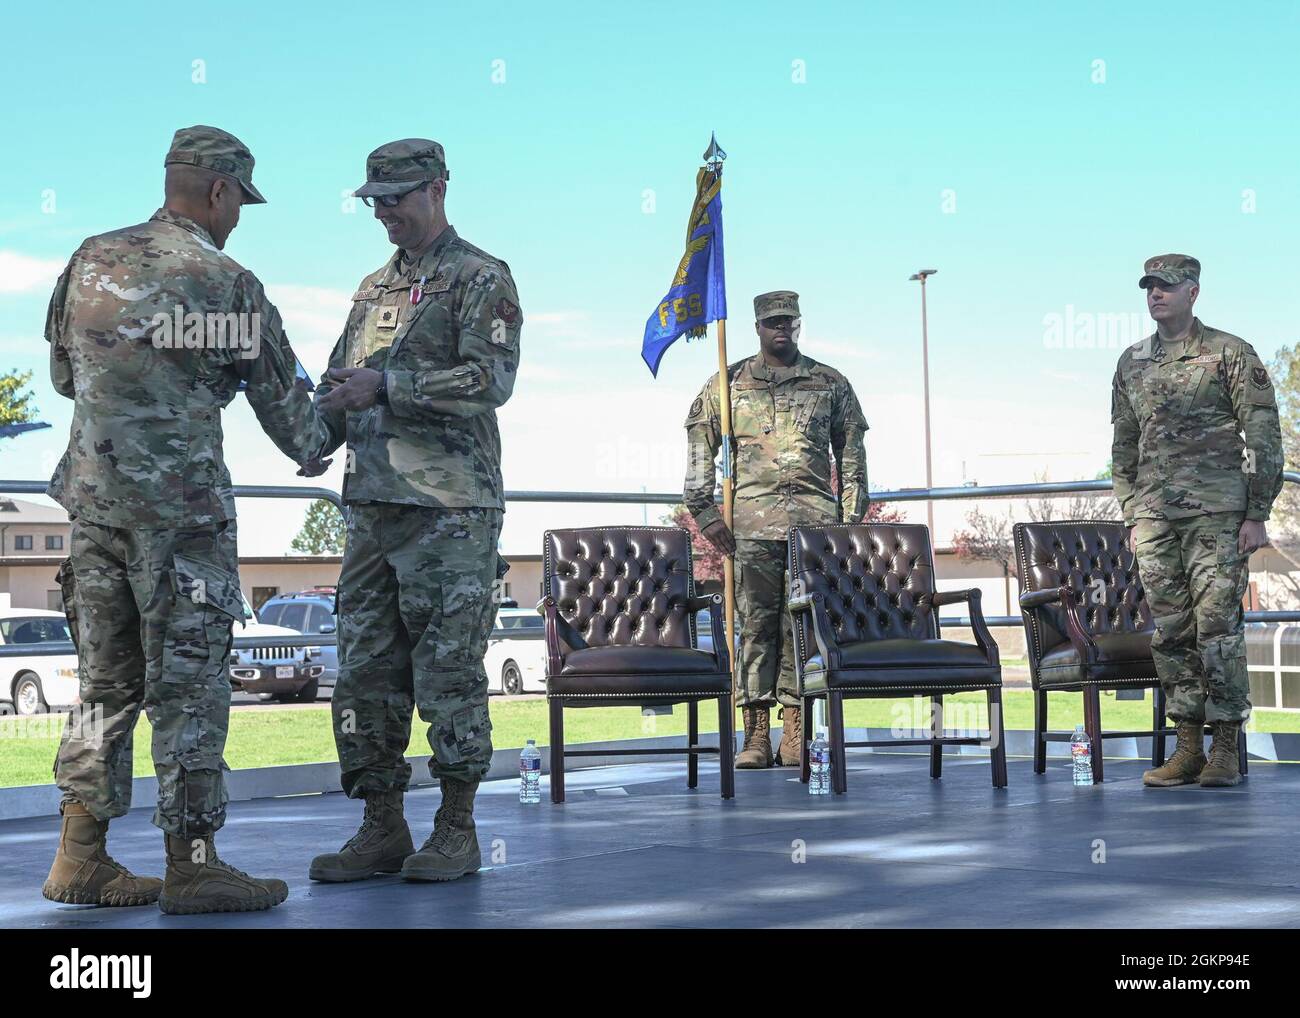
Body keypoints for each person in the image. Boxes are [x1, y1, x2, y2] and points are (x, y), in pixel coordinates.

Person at [43, 125, 331, 913]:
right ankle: (195, 863)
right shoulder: (227, 283)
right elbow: (297, 428)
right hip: (183, 522)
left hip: (95, 510)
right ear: (218, 191)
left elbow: (69, 377)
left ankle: (79, 857)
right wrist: (347, 402)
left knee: (105, 686)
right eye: (240, 200)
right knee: (191, 690)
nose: (238, 216)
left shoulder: (90, 259)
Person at [308, 139, 520, 883]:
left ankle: (457, 828)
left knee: (448, 672)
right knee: (365, 677)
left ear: (436, 187)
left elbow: (490, 380)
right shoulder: (371, 290)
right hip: (373, 508)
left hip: (450, 510)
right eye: (374, 201)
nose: (384, 212)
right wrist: (316, 429)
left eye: (396, 197)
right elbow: (344, 379)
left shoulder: (480, 276)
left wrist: (388, 388)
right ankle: (381, 827)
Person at [1112, 254, 1283, 788]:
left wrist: (1257, 512)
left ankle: (1226, 744)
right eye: (1149, 287)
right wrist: (1129, 513)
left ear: (1193, 292)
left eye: (1166, 286)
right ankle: (1187, 745)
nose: (1155, 295)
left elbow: (1263, 437)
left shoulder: (1231, 353)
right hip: (1155, 519)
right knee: (1172, 631)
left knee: (1218, 630)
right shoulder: (1132, 361)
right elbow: (1123, 442)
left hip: (1218, 516)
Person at [683, 291, 868, 768]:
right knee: (756, 629)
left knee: (801, 628)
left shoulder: (830, 383)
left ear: (799, 324)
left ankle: (795, 729)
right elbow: (698, 449)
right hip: (749, 529)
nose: (779, 329)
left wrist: (848, 526)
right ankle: (756, 734)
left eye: (787, 320)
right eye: (771, 322)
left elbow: (852, 460)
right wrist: (707, 516)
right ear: (758, 328)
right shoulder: (727, 385)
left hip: (813, 532)